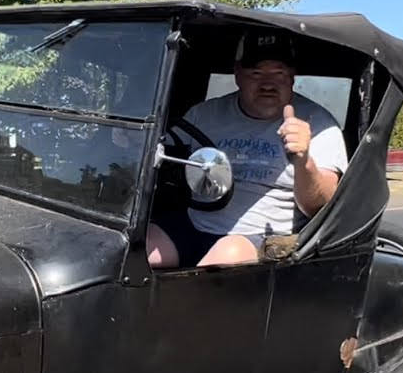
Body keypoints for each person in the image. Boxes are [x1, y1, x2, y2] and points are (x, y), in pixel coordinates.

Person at [147, 30, 349, 268]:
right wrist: (131, 141)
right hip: (195, 223)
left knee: (225, 257)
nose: (267, 84)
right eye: (256, 73)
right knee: (138, 249)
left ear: (292, 77)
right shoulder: (205, 114)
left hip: (265, 237)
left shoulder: (319, 125)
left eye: (278, 72)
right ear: (238, 75)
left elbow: (321, 205)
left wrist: (303, 161)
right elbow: (163, 150)